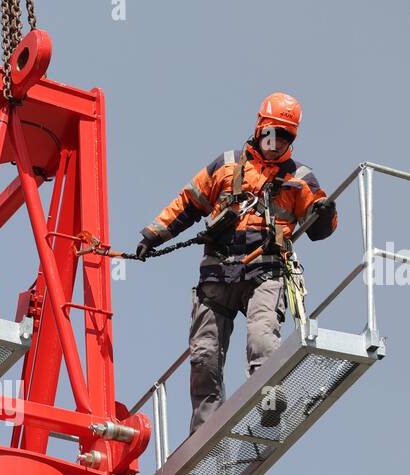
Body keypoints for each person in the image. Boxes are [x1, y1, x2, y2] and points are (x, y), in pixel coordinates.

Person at [135, 92, 339, 433]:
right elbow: (188, 203)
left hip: (266, 271)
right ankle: (205, 432)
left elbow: (322, 228)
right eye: (271, 133)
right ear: (259, 128)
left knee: (262, 338)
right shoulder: (226, 166)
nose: (275, 143)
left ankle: (269, 397)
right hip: (218, 273)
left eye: (284, 137)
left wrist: (326, 212)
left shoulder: (301, 178)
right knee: (204, 356)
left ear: (292, 138)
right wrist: (152, 236)